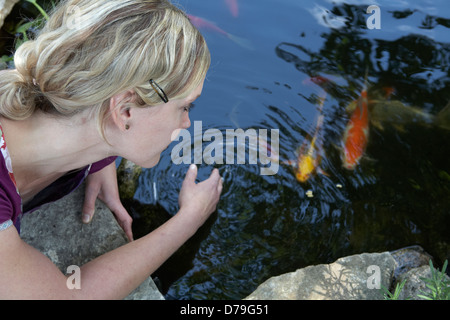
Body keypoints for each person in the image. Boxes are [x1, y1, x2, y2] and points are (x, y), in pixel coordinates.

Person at [0, 0, 222, 299]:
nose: (187, 123)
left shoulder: (75, 121)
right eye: (185, 106)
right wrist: (188, 220)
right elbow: (69, 296)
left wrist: (99, 158)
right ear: (125, 111)